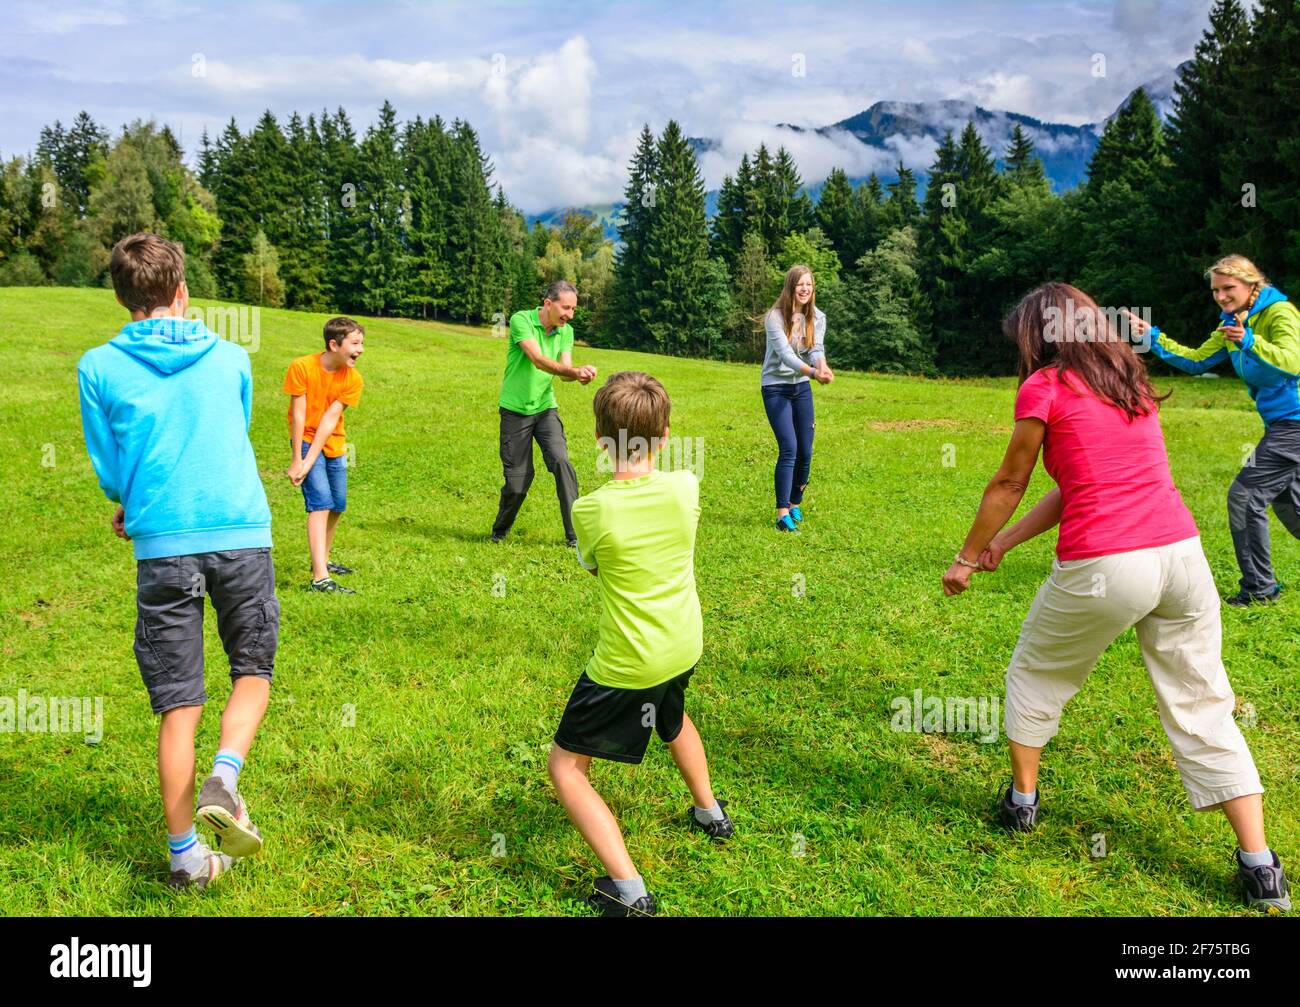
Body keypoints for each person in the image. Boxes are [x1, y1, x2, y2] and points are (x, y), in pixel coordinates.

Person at [941, 282, 1290, 913]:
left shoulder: (1044, 386)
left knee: (1037, 670)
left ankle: (1022, 802)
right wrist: (1008, 544)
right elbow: (1074, 483)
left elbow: (1011, 479)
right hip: (1183, 558)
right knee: (1204, 703)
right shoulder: (1127, 379)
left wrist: (967, 557)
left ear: (1038, 335)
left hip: (1107, 564)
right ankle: (1261, 866)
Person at [77, 232, 276, 890]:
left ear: (122, 297)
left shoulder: (97, 367)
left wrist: (129, 501)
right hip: (240, 529)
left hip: (161, 541)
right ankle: (226, 772)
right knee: (252, 668)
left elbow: (111, 466)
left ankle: (185, 855)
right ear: (182, 291)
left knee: (178, 705)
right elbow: (233, 430)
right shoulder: (232, 355)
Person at [547, 371, 731, 916]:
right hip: (684, 642)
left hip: (629, 663)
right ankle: (709, 812)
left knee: (565, 767)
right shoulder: (686, 488)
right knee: (670, 717)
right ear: (667, 435)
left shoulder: (592, 509)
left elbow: (595, 567)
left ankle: (628, 890)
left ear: (602, 440)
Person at [1127, 255, 1300, 606]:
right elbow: (1196, 361)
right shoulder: (1232, 321)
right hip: (1281, 424)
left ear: (1252, 285)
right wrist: (1153, 337)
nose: (1221, 296)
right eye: (1215, 290)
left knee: (1245, 496)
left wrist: (1250, 341)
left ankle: (1260, 590)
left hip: (1294, 424)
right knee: (1287, 505)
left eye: (1228, 288)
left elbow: (1292, 361)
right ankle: (1261, 586)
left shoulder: (1280, 313)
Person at [492, 280, 596, 545]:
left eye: (573, 309)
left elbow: (564, 372)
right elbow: (538, 360)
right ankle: (500, 530)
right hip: (515, 412)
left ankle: (575, 537)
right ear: (548, 303)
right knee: (518, 482)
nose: (570, 315)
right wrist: (572, 372)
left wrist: (579, 375)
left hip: (545, 408)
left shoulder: (566, 332)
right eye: (566, 308)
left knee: (562, 462)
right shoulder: (521, 320)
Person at [284, 317, 366, 594]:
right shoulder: (301, 367)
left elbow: (330, 421)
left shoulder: (353, 379)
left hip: (333, 443)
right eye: (355, 343)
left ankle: (323, 560)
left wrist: (309, 462)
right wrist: (299, 459)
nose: (361, 349)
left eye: (362, 343)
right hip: (305, 439)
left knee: (337, 504)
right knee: (319, 503)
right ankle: (320, 578)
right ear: (334, 344)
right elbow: (298, 414)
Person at [761, 265, 833, 532]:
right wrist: (814, 373)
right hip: (776, 387)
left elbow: (816, 347)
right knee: (789, 448)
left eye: (809, 285)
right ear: (790, 287)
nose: (804, 289)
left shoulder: (818, 317)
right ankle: (782, 514)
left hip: (801, 387)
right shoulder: (775, 318)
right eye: (799, 284)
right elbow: (786, 357)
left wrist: (821, 365)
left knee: (806, 450)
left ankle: (794, 503)